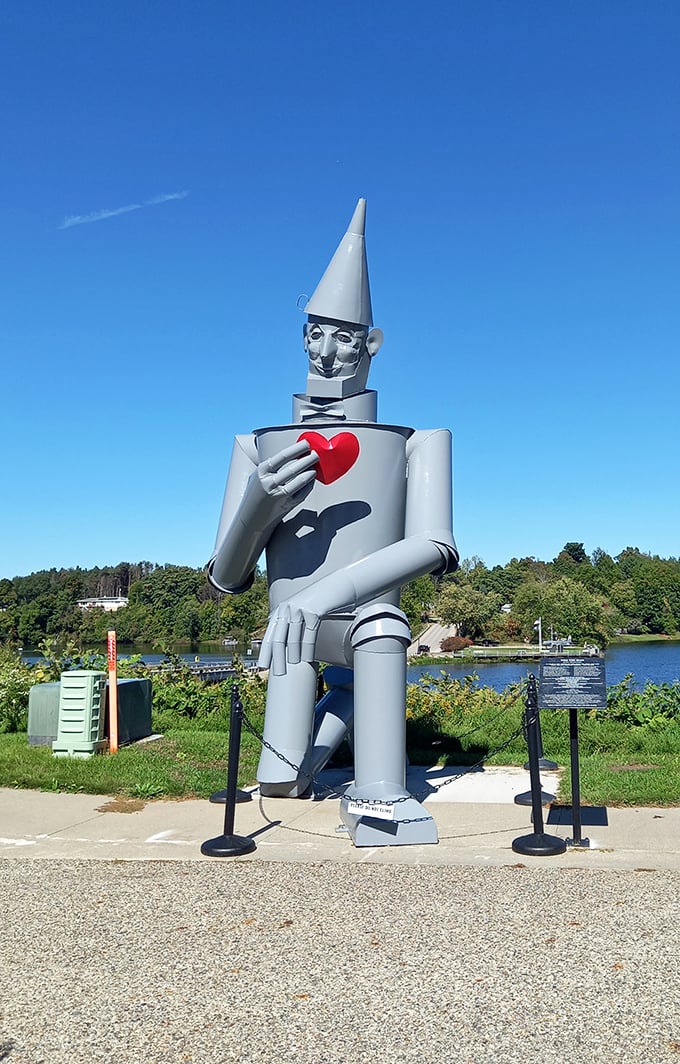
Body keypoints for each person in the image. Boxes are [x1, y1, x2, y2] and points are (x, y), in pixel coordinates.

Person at [207, 199, 458, 845]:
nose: (326, 350)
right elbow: (225, 577)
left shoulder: (418, 440)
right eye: (315, 332)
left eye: (344, 335)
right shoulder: (255, 444)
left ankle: (380, 793)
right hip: (288, 629)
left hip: (366, 620)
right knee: (282, 782)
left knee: (379, 647)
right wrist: (258, 506)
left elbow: (435, 542)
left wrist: (321, 597)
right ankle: (338, 713)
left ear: (371, 343)